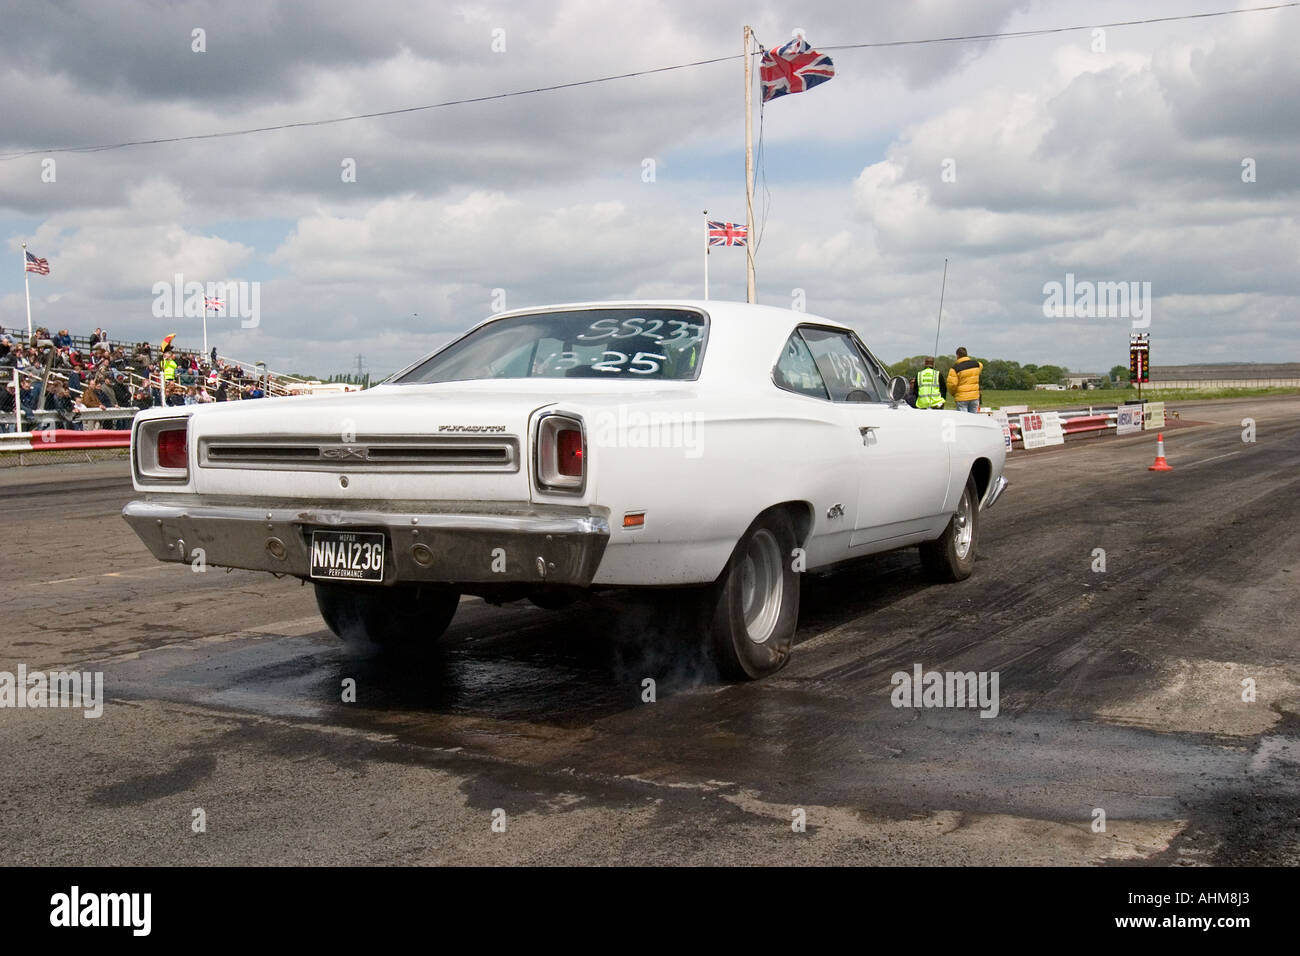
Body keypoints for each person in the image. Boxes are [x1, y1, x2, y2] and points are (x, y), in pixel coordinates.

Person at [947, 347, 983, 413]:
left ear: (957, 355)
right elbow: (981, 366)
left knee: (964, 419)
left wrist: (954, 394)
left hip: (962, 398)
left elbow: (952, 385)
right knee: (973, 418)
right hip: (975, 397)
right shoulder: (976, 364)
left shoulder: (954, 369)